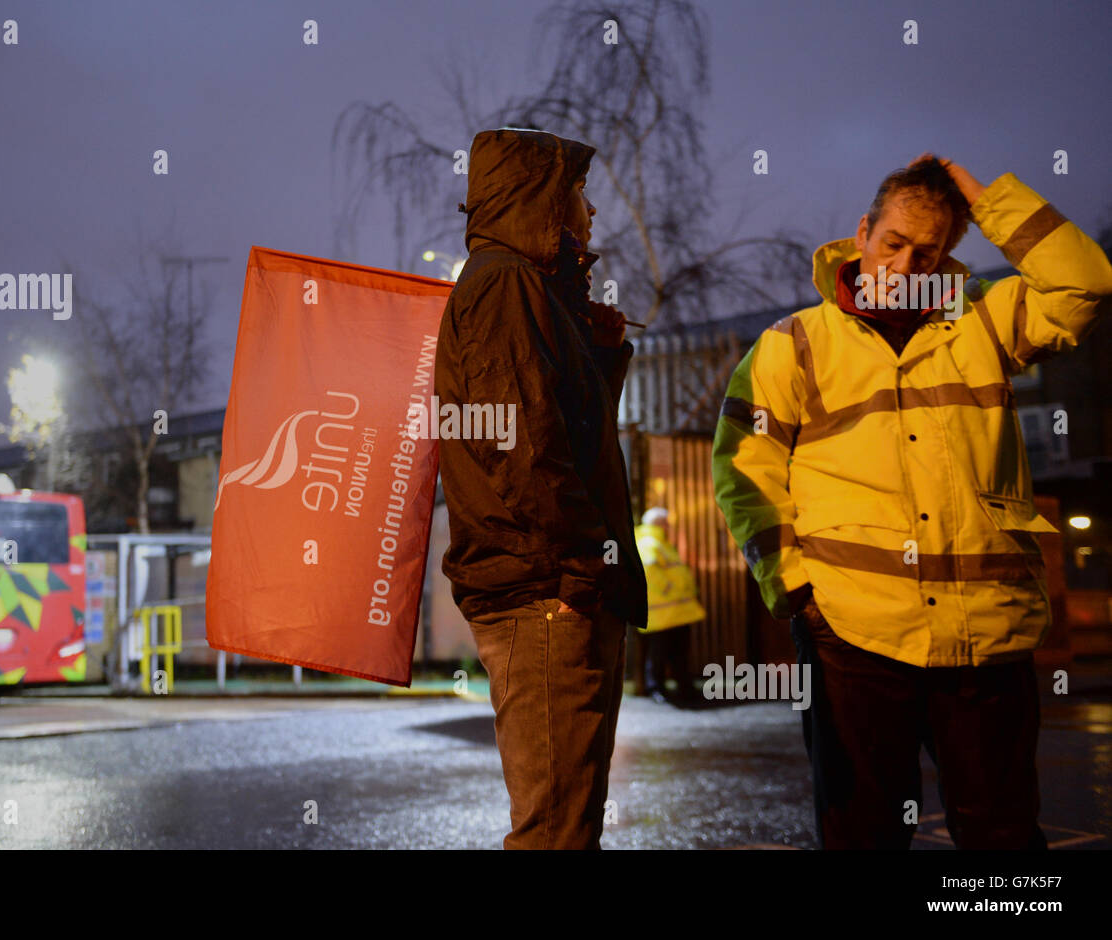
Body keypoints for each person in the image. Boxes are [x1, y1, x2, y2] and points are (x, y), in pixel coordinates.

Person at [712, 155, 1112, 850]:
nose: (903, 265)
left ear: (951, 253)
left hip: (988, 635)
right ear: (863, 232)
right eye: (893, 242)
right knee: (863, 835)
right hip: (853, 633)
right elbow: (745, 467)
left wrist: (987, 199)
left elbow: (1087, 282)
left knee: (1004, 836)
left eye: (928, 252)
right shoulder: (794, 345)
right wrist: (796, 593)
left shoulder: (986, 322)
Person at [435, 127, 648, 850]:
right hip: (546, 591)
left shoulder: (527, 290)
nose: (591, 211)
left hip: (551, 585)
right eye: (578, 193)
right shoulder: (504, 283)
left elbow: (559, 431)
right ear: (544, 200)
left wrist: (599, 354)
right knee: (556, 832)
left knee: (566, 824)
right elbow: (519, 448)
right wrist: (584, 563)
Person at [634, 506, 706, 705]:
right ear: (660, 524)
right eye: (666, 523)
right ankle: (658, 689)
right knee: (662, 653)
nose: (669, 526)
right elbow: (649, 570)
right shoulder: (651, 542)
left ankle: (680, 688)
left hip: (674, 611)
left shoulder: (658, 542)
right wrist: (671, 590)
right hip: (665, 610)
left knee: (674, 652)